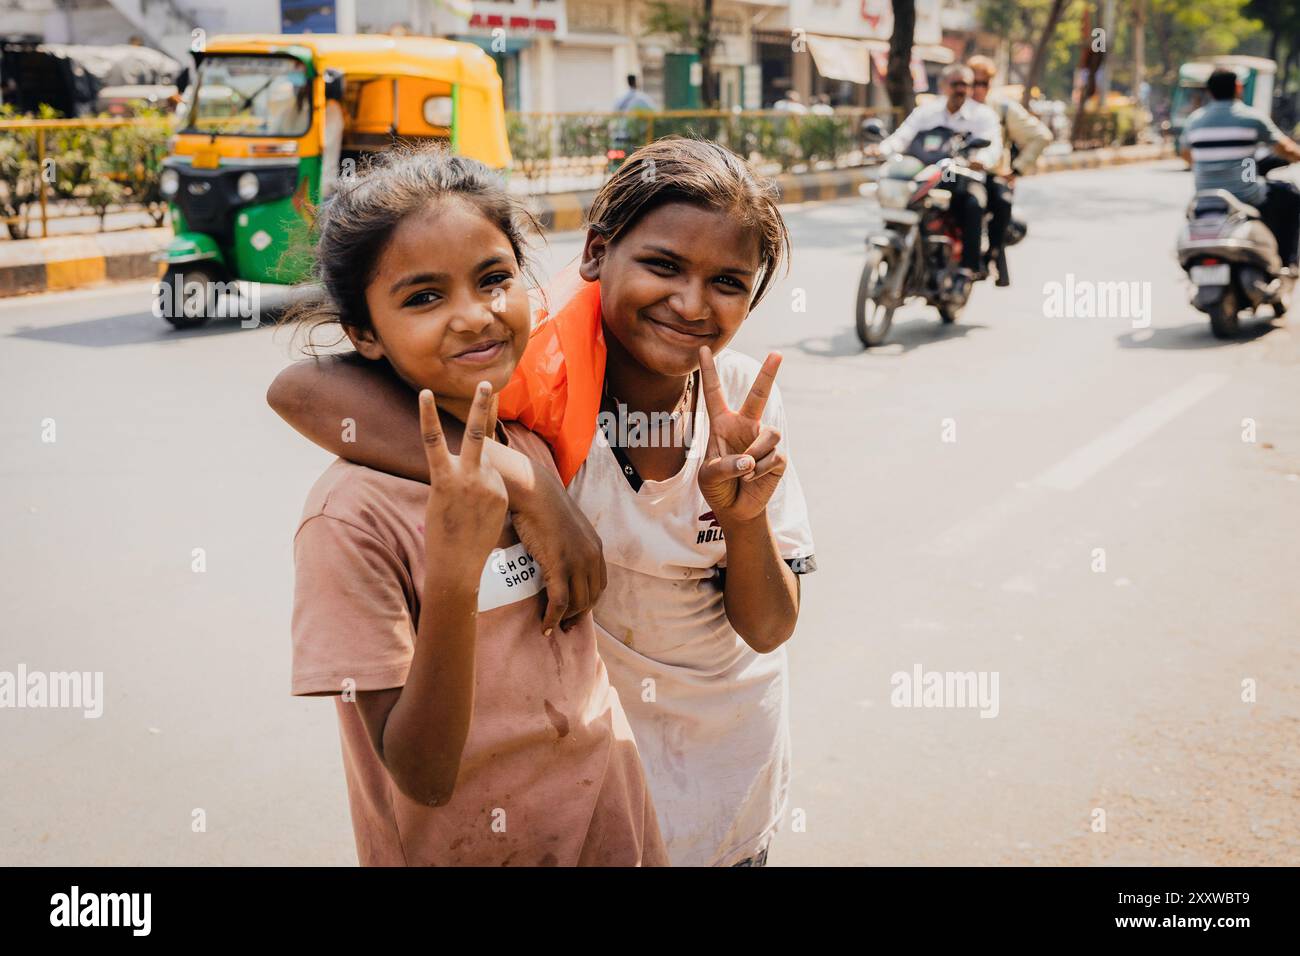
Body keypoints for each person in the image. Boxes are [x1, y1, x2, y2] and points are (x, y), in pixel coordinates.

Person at [269, 138, 816, 867]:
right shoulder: (529, 389)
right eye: (662, 265)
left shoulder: (744, 402)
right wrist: (529, 485)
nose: (690, 303)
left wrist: (744, 519)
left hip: (728, 791)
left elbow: (770, 626)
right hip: (602, 808)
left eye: (728, 282)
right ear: (595, 254)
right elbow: (304, 389)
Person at [287, 148, 668, 867]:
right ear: (363, 333)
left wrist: (530, 479)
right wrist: (455, 576)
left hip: (607, 821)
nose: (474, 317)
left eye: (494, 278)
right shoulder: (351, 520)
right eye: (423, 297)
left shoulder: (533, 436)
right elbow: (422, 774)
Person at [872, 64, 1002, 295]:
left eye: (966, 85)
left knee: (974, 204)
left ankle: (966, 270)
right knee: (904, 199)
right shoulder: (926, 112)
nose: (961, 89)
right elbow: (901, 137)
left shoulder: (982, 115)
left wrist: (981, 159)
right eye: (956, 84)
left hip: (963, 177)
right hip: (926, 176)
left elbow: (992, 147)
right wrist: (881, 150)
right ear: (943, 86)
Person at [1182, 68, 1300, 271]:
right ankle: (1286, 262)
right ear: (1238, 88)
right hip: (1246, 195)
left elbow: (1185, 154)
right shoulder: (1251, 117)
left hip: (1204, 196)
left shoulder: (1194, 121)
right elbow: (1286, 148)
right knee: (1290, 195)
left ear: (1209, 92)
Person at [967, 55, 1052, 286]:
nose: (976, 89)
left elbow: (1041, 136)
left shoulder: (1001, 109)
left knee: (1001, 201)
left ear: (990, 84)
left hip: (991, 174)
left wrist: (1016, 170)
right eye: (972, 83)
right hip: (958, 173)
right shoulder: (955, 105)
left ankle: (992, 253)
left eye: (982, 84)